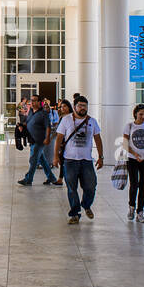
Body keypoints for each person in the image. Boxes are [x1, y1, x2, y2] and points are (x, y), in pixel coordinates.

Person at [53, 94, 103, 223]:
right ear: (74, 107)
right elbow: (59, 138)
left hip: (86, 160)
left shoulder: (92, 121)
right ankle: (75, 213)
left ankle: (86, 205)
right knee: (71, 188)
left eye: (85, 106)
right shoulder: (66, 120)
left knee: (91, 186)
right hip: (70, 160)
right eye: (80, 105)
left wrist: (101, 157)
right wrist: (55, 157)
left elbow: (98, 138)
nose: (83, 108)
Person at [18, 95, 60, 186]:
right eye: (31, 101)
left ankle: (28, 180)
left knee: (33, 160)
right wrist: (22, 125)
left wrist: (47, 138)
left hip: (40, 140)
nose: (32, 102)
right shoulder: (31, 112)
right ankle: (51, 178)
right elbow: (28, 122)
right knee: (43, 161)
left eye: (34, 101)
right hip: (32, 140)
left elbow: (48, 126)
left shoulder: (43, 114)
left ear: (39, 102)